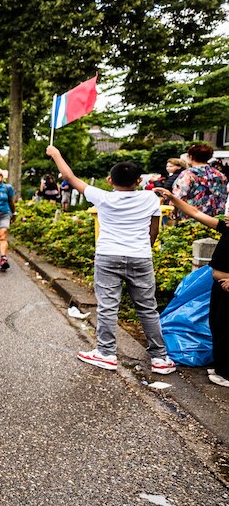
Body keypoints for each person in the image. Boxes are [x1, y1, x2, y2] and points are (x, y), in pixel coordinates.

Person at [46, 145, 176, 376]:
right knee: (147, 308)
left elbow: (69, 177)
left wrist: (55, 153)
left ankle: (106, 353)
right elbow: (153, 231)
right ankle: (160, 358)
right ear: (138, 180)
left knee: (108, 306)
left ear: (109, 179)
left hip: (108, 256)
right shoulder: (149, 198)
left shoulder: (102, 197)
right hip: (141, 257)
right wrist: (145, 247)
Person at [155, 186, 229, 386]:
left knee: (226, 327)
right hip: (218, 284)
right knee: (217, 324)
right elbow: (195, 213)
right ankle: (222, 366)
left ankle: (226, 373)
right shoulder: (227, 228)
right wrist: (172, 198)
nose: (227, 214)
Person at [173, 143, 227, 220]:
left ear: (191, 157)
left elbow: (179, 196)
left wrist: (173, 211)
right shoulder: (220, 175)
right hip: (216, 219)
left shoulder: (188, 174)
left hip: (193, 217)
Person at [0, 167, 17, 271]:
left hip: (4, 213)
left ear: (2, 177)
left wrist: (13, 213)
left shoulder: (7, 188)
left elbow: (11, 201)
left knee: (3, 235)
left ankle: (3, 258)